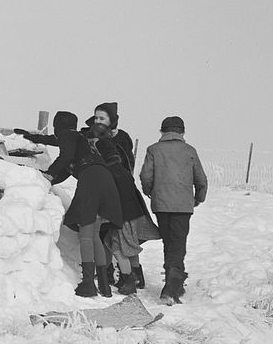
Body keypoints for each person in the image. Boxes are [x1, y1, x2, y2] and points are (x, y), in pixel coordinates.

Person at [41, 111, 122, 298]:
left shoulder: (67, 136)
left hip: (91, 179)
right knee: (94, 234)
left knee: (86, 233)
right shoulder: (82, 140)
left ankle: (88, 284)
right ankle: (104, 286)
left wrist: (49, 175)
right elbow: (69, 167)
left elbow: (66, 157)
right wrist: (52, 178)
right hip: (105, 178)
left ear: (57, 126)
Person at [139, 116, 208, 305]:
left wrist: (151, 192)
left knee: (169, 242)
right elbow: (201, 179)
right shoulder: (190, 151)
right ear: (183, 132)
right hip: (183, 206)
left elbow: (145, 176)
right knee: (178, 242)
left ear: (162, 131)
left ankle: (175, 283)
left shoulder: (153, 150)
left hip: (161, 204)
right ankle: (171, 286)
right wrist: (198, 198)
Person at [86, 123, 161, 295]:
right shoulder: (121, 169)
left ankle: (128, 282)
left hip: (122, 217)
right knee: (130, 248)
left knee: (120, 250)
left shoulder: (108, 173)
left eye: (92, 145)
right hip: (133, 214)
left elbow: (110, 198)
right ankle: (137, 277)